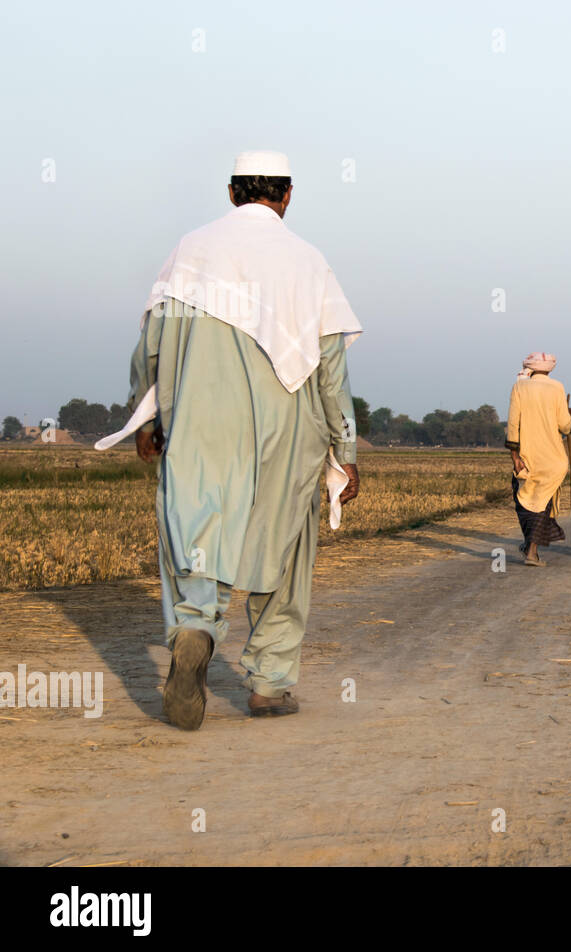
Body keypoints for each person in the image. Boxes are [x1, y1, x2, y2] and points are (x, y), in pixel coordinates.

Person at [124, 150, 362, 730]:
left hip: (199, 427)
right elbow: (331, 369)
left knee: (196, 533)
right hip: (290, 433)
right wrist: (346, 450)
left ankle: (196, 629)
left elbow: (151, 345)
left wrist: (146, 418)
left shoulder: (191, 251)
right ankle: (269, 685)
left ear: (232, 193)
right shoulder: (308, 262)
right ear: (286, 196)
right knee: (282, 551)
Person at [505, 353, 571, 566]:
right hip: (555, 459)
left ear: (530, 369)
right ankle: (530, 548)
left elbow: (513, 425)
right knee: (543, 501)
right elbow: (565, 426)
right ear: (550, 369)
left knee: (525, 500)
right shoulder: (557, 388)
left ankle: (531, 550)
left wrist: (515, 457)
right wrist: (569, 415)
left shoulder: (519, 388)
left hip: (527, 457)